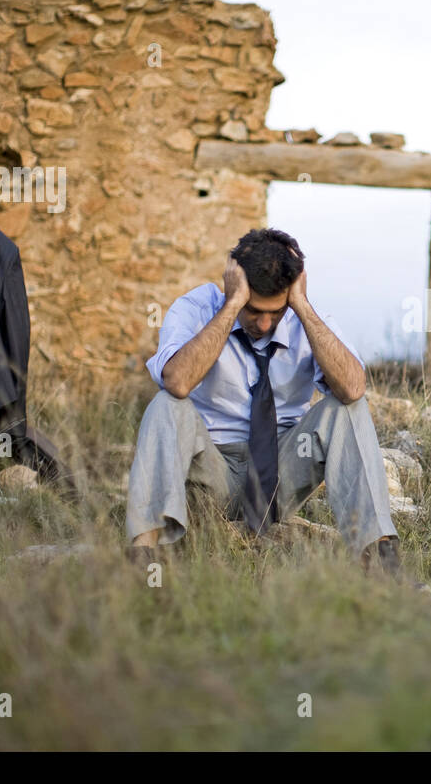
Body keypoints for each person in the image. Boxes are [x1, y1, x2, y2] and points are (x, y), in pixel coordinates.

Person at [124, 227, 408, 582]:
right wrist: (231, 307)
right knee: (167, 403)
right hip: (210, 471)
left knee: (346, 408)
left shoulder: (308, 318)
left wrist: (300, 306)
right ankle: (144, 560)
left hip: (279, 473)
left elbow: (353, 388)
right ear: (234, 283)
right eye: (253, 310)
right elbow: (177, 381)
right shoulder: (196, 308)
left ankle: (383, 564)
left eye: (274, 313)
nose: (263, 323)